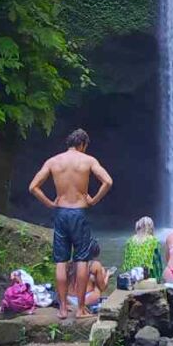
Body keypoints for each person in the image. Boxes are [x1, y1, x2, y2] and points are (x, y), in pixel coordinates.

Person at [28, 128, 114, 319]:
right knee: (81, 259)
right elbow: (107, 181)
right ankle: (81, 309)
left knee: (61, 260)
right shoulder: (88, 160)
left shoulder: (53, 161)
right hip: (79, 212)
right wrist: (93, 200)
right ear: (82, 144)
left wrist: (51, 203)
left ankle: (63, 308)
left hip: (60, 213)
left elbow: (33, 187)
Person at [68, 240, 110, 309]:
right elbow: (102, 287)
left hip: (68, 298)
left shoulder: (71, 263)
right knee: (98, 287)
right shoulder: (95, 264)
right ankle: (84, 306)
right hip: (86, 299)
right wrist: (107, 275)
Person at [122, 216, 164, 282]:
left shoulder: (129, 241)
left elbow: (126, 264)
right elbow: (158, 265)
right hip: (147, 278)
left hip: (132, 278)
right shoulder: (153, 241)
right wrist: (159, 280)